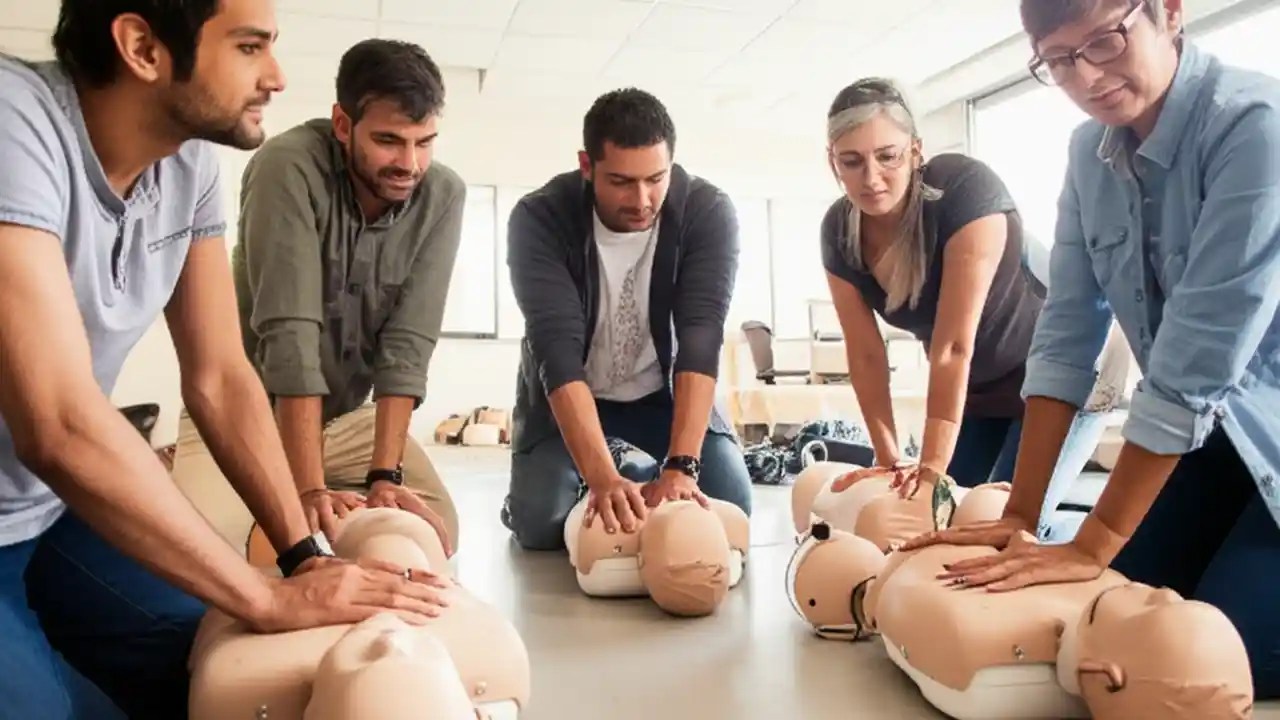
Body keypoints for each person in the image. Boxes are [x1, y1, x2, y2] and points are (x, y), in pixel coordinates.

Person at [0, 3, 448, 719]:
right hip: (36, 481)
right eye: (249, 47)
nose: (274, 76)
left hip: (45, 511)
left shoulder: (188, 159)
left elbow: (221, 375)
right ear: (143, 47)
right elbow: (57, 424)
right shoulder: (12, 122)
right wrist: (264, 595)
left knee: (213, 661)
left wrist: (305, 559)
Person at [906, 0, 1280, 700]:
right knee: (1112, 610)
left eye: (1105, 41)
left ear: (1169, 12)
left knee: (1211, 654)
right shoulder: (1090, 153)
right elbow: (1067, 332)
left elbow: (1197, 358)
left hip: (1265, 435)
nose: (1086, 77)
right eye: (1058, 60)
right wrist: (1020, 517)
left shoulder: (1255, 126)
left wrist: (1095, 538)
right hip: (1208, 447)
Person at [173, 38, 464, 556]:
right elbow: (291, 338)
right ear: (344, 124)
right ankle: (183, 461)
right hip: (247, 413)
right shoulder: (287, 165)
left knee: (435, 532)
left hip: (350, 419)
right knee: (226, 546)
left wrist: (384, 474)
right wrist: (306, 492)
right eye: (389, 141)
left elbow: (408, 344)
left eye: (424, 142)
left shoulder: (443, 195)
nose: (409, 164)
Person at [820, 77, 1112, 527]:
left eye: (887, 156)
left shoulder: (964, 190)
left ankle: (1084, 560)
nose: (872, 178)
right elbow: (864, 353)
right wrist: (890, 459)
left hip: (1061, 375)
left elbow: (952, 346)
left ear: (915, 151)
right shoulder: (839, 231)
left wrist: (933, 468)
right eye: (852, 161)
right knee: (941, 522)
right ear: (832, 162)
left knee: (998, 522)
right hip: (979, 391)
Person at [500, 88, 753, 551]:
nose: (642, 200)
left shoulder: (707, 212)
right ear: (586, 165)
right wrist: (601, 478)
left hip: (663, 400)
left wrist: (682, 466)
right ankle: (613, 466)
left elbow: (701, 336)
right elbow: (555, 352)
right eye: (620, 182)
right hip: (575, 403)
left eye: (656, 179)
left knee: (731, 504)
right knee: (539, 524)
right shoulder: (539, 218)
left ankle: (646, 465)